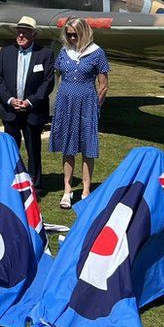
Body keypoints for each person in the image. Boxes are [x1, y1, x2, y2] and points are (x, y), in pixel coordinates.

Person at [49, 17, 110, 209]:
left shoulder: (97, 53)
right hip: (66, 103)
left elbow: (103, 85)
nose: (72, 37)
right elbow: (58, 75)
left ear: (84, 32)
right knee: (68, 147)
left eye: (75, 34)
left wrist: (95, 106)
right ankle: (67, 190)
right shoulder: (64, 52)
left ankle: (85, 190)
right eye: (69, 34)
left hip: (87, 104)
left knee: (87, 148)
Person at [0, 16, 54, 191]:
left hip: (33, 111)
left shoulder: (45, 54)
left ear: (33, 34)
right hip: (10, 110)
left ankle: (35, 186)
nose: (20, 35)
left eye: (25, 32)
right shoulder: (6, 52)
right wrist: (10, 100)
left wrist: (29, 102)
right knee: (10, 149)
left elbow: (47, 82)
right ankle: (10, 183)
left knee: (33, 149)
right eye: (19, 31)